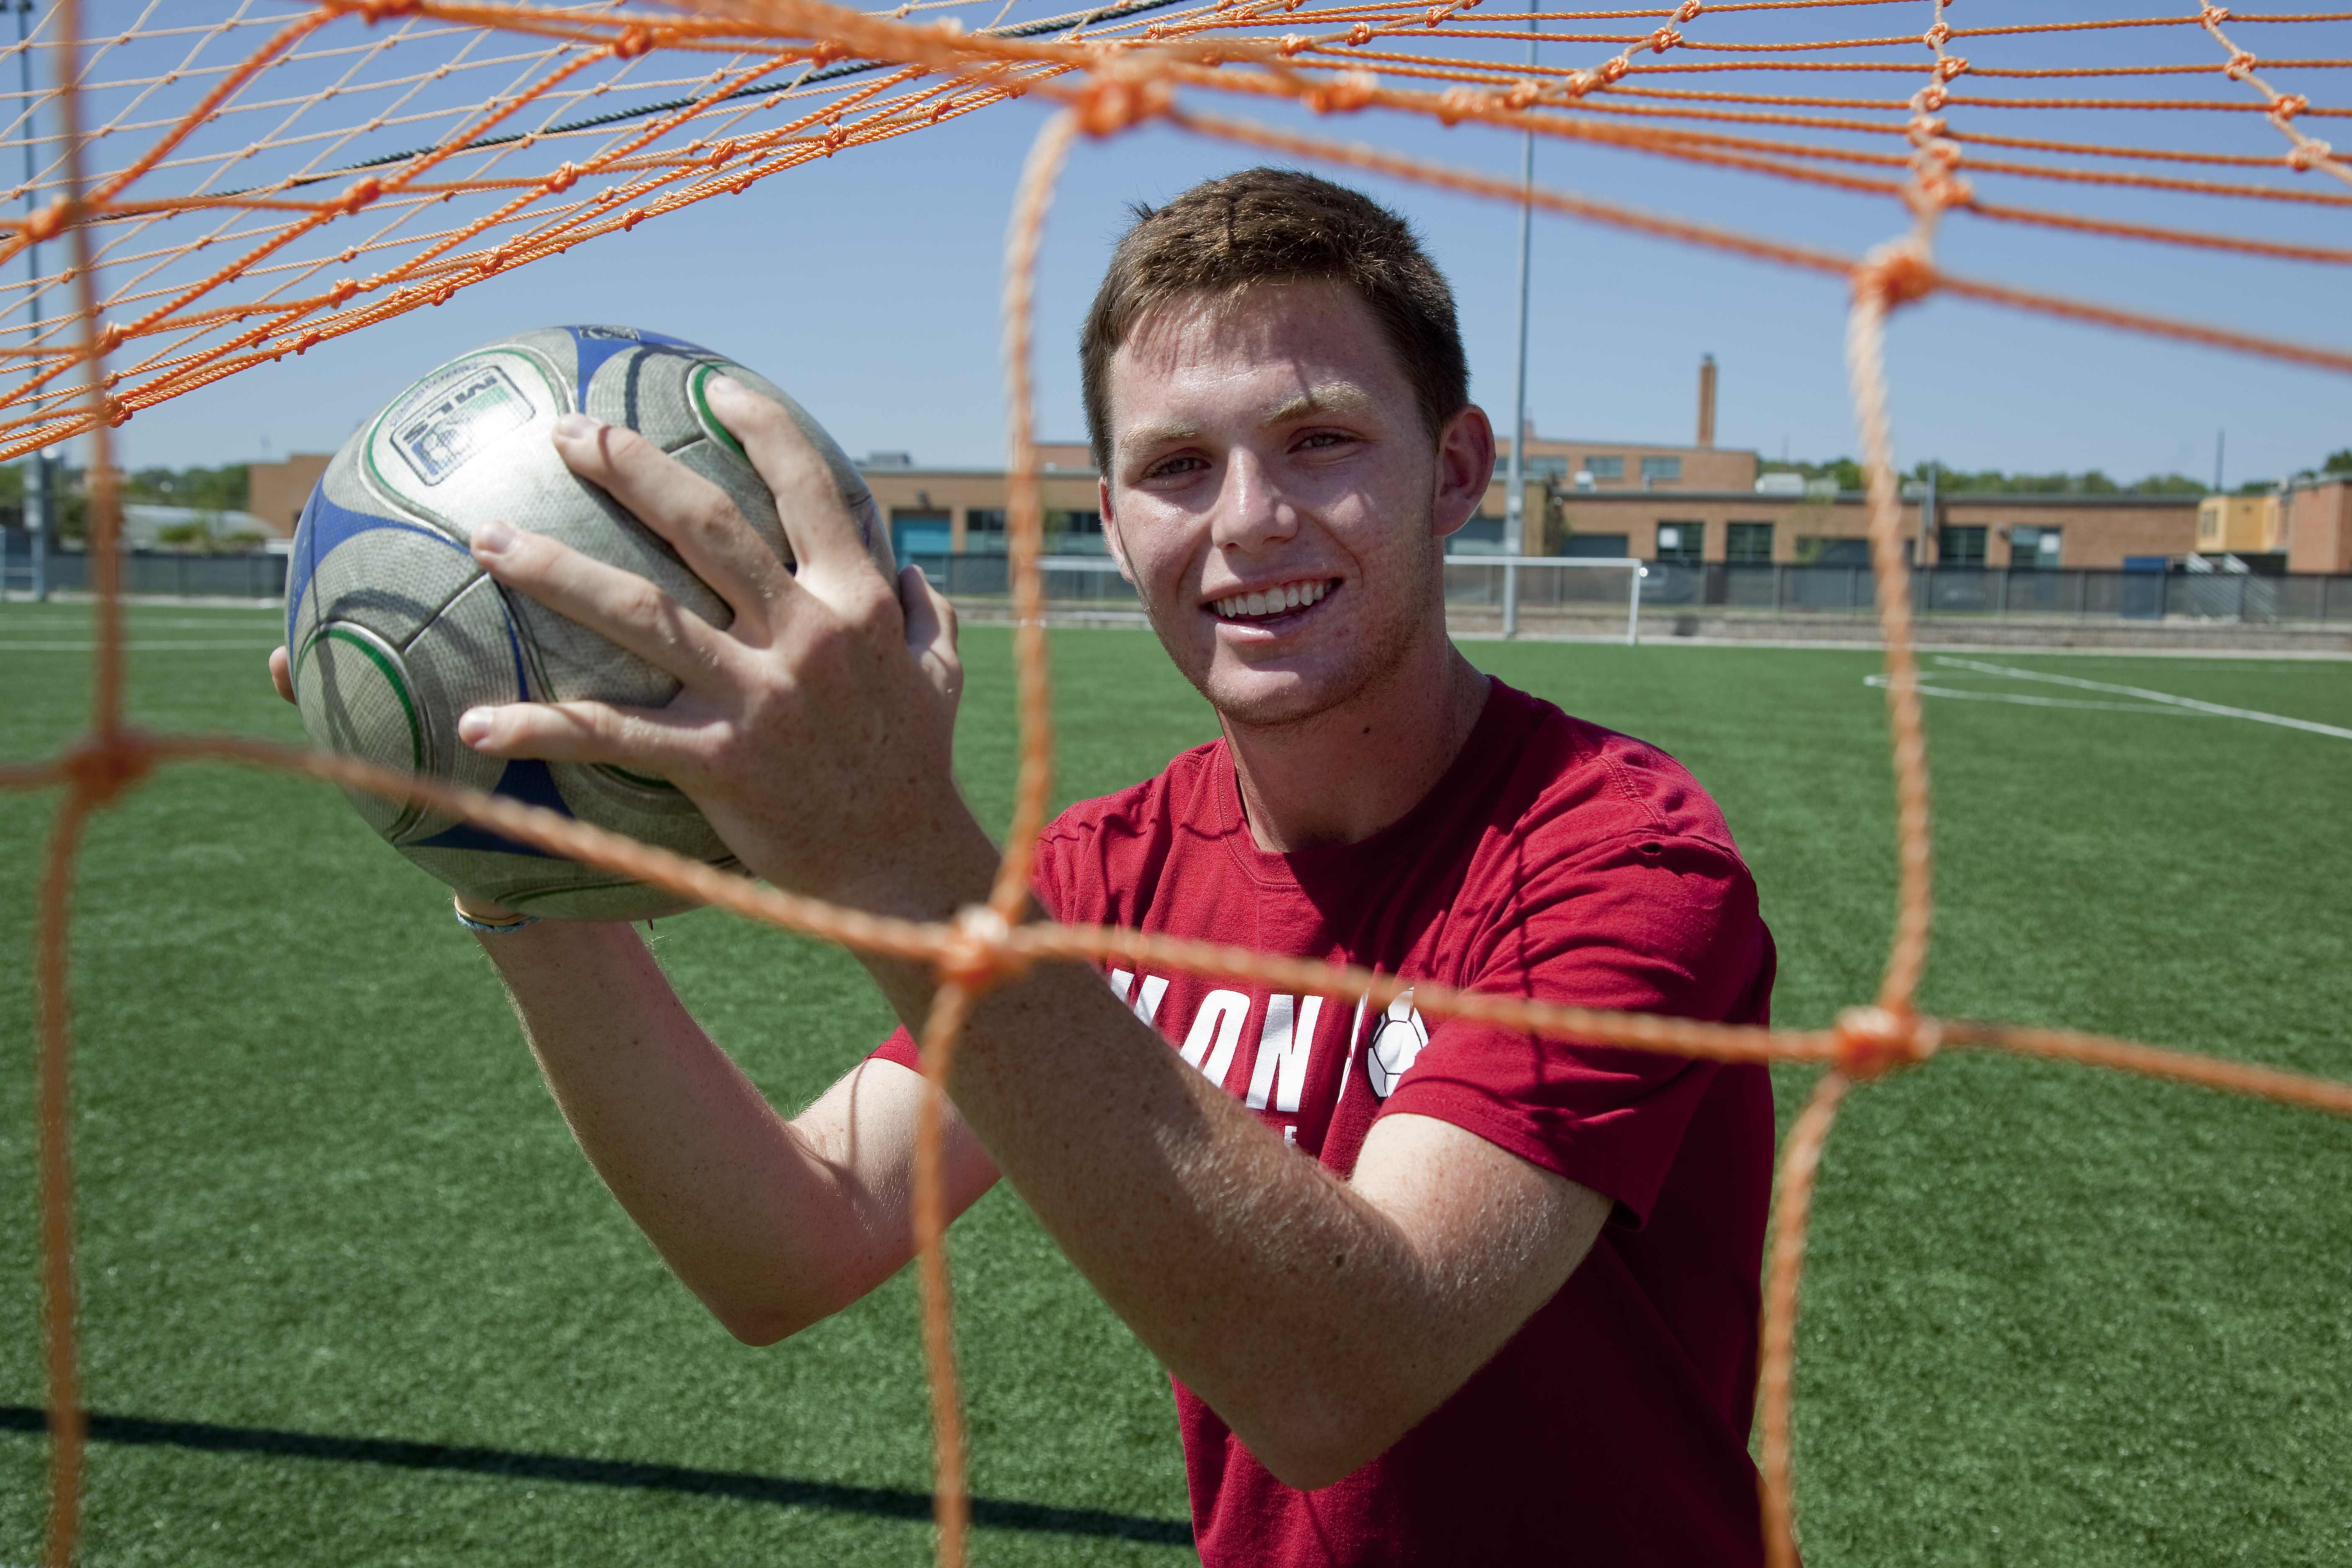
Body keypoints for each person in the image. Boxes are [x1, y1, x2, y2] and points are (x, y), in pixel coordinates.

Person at [270, 168, 1776, 1564]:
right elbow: (789, 1244)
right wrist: (512, 866)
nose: (1250, 522)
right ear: (1115, 527)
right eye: (1179, 468)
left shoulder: (1618, 854)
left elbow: (1339, 1378)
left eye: (1319, 440)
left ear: (1455, 471)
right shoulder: (1110, 870)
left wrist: (890, 853)